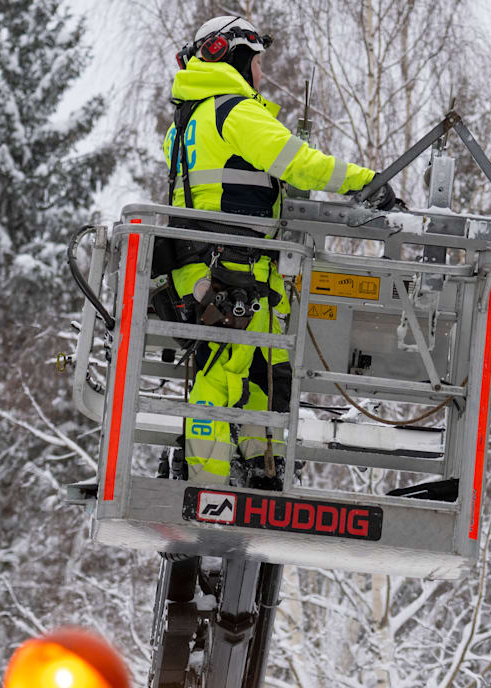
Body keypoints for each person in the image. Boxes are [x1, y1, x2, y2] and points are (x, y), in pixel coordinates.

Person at [162, 15, 400, 488]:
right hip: (232, 268)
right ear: (232, 56)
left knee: (262, 370)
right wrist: (365, 183)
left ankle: (260, 467)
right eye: (256, 62)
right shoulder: (233, 112)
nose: (260, 74)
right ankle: (206, 484)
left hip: (212, 270)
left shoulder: (186, 124)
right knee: (226, 370)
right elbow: (299, 163)